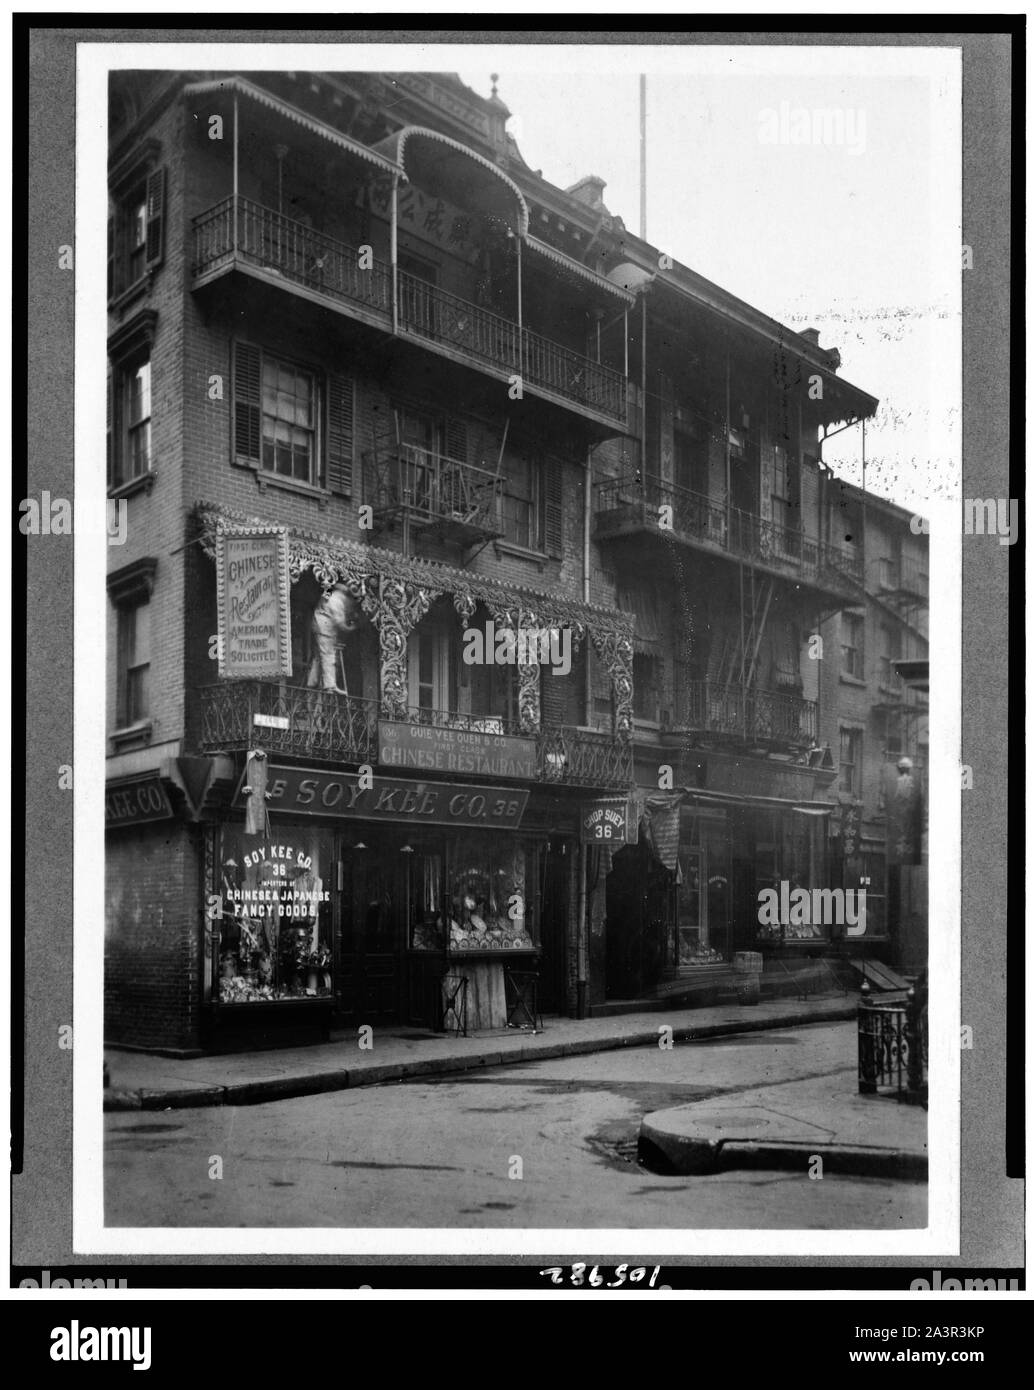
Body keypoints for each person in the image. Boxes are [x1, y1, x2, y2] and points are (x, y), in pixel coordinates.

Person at [307, 583, 359, 693]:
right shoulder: (338, 601)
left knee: (318, 655)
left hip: (318, 624)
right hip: (325, 628)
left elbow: (323, 600)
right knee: (328, 655)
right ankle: (330, 685)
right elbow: (340, 623)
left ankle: (312, 681)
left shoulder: (330, 592)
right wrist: (353, 627)